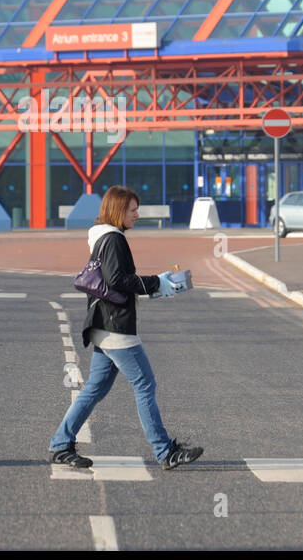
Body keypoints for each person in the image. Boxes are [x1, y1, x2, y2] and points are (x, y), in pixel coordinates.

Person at [48, 186, 202, 471]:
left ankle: (60, 444)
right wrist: (157, 283)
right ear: (119, 211)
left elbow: (115, 278)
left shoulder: (102, 238)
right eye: (132, 210)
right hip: (115, 327)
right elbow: (118, 279)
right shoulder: (113, 239)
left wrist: (157, 282)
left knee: (94, 389)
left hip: (104, 324)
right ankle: (164, 451)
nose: (137, 214)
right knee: (145, 384)